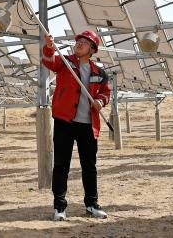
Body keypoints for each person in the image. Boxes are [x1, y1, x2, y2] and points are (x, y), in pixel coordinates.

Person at [42, 29, 111, 221]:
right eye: (78, 40)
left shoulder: (99, 72)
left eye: (84, 42)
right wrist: (49, 47)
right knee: (61, 165)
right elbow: (49, 61)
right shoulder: (66, 62)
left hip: (88, 125)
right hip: (65, 122)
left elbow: (105, 93)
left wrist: (101, 101)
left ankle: (91, 204)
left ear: (92, 49)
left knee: (89, 166)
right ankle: (59, 207)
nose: (79, 43)